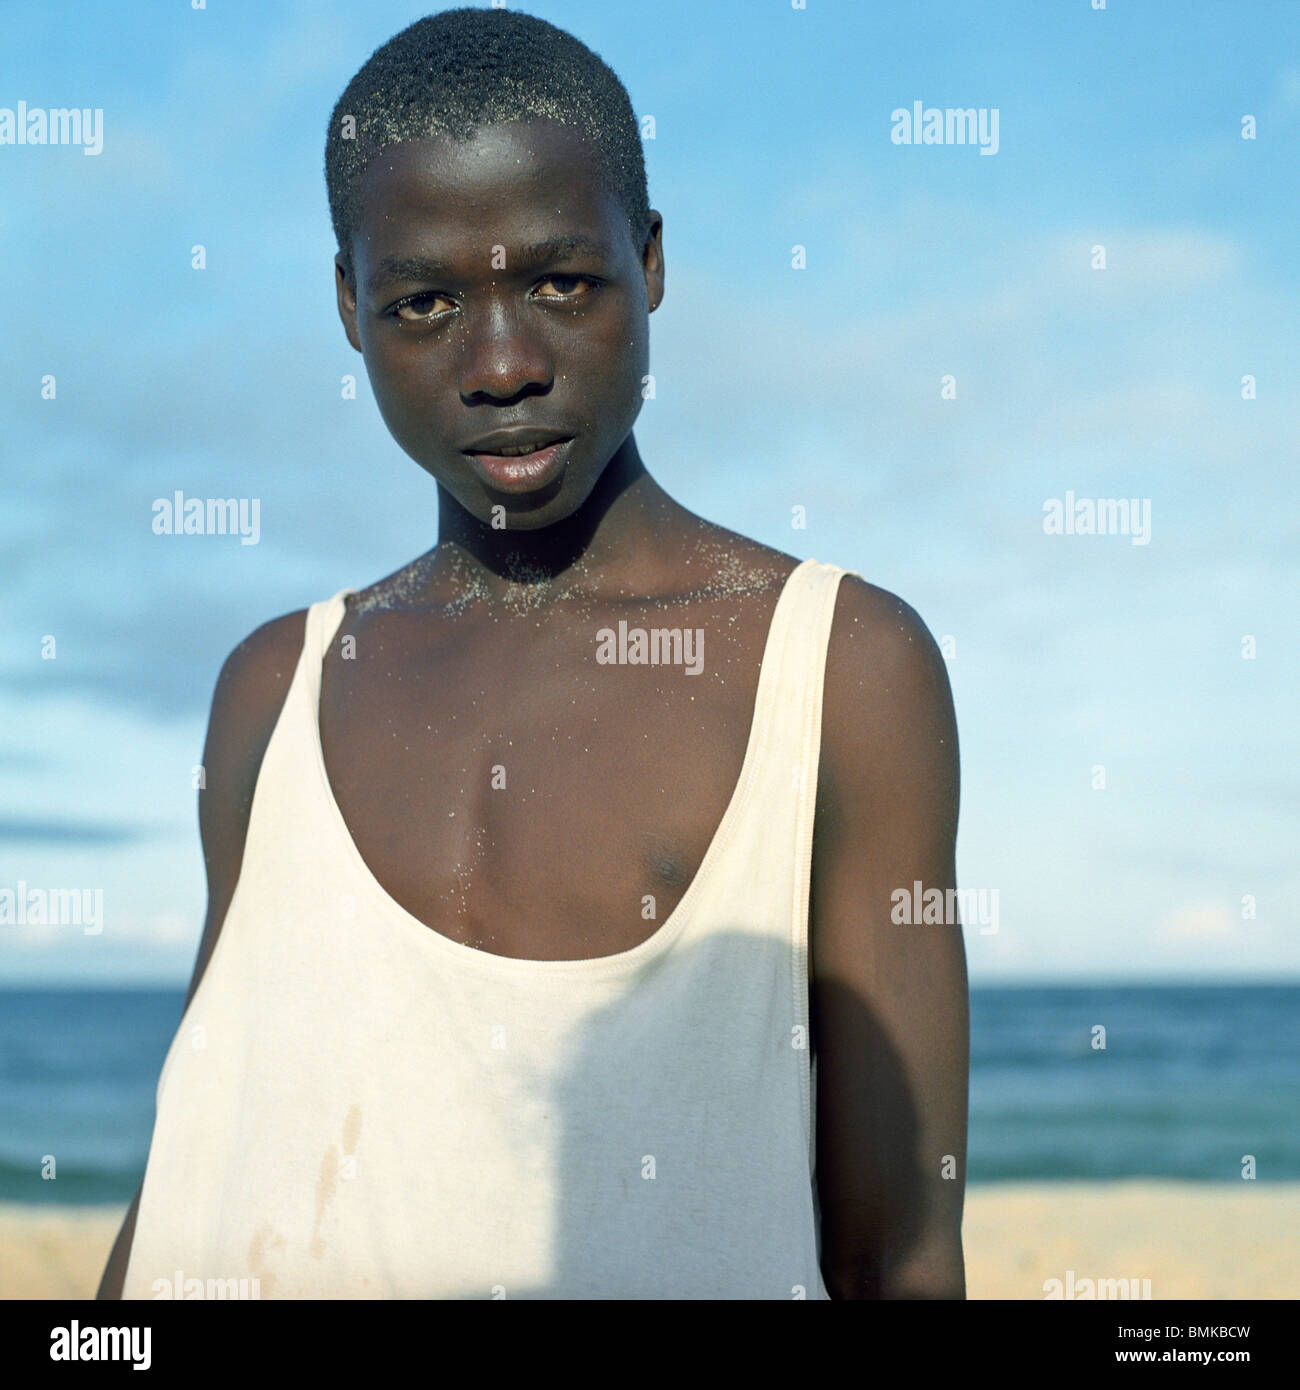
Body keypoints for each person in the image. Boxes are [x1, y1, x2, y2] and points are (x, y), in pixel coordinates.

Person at [98, 6, 968, 1300]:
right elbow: (202, 1152)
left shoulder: (836, 668)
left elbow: (897, 1245)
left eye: (561, 282)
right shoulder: (273, 691)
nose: (502, 363)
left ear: (652, 261)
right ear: (350, 307)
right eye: (426, 302)